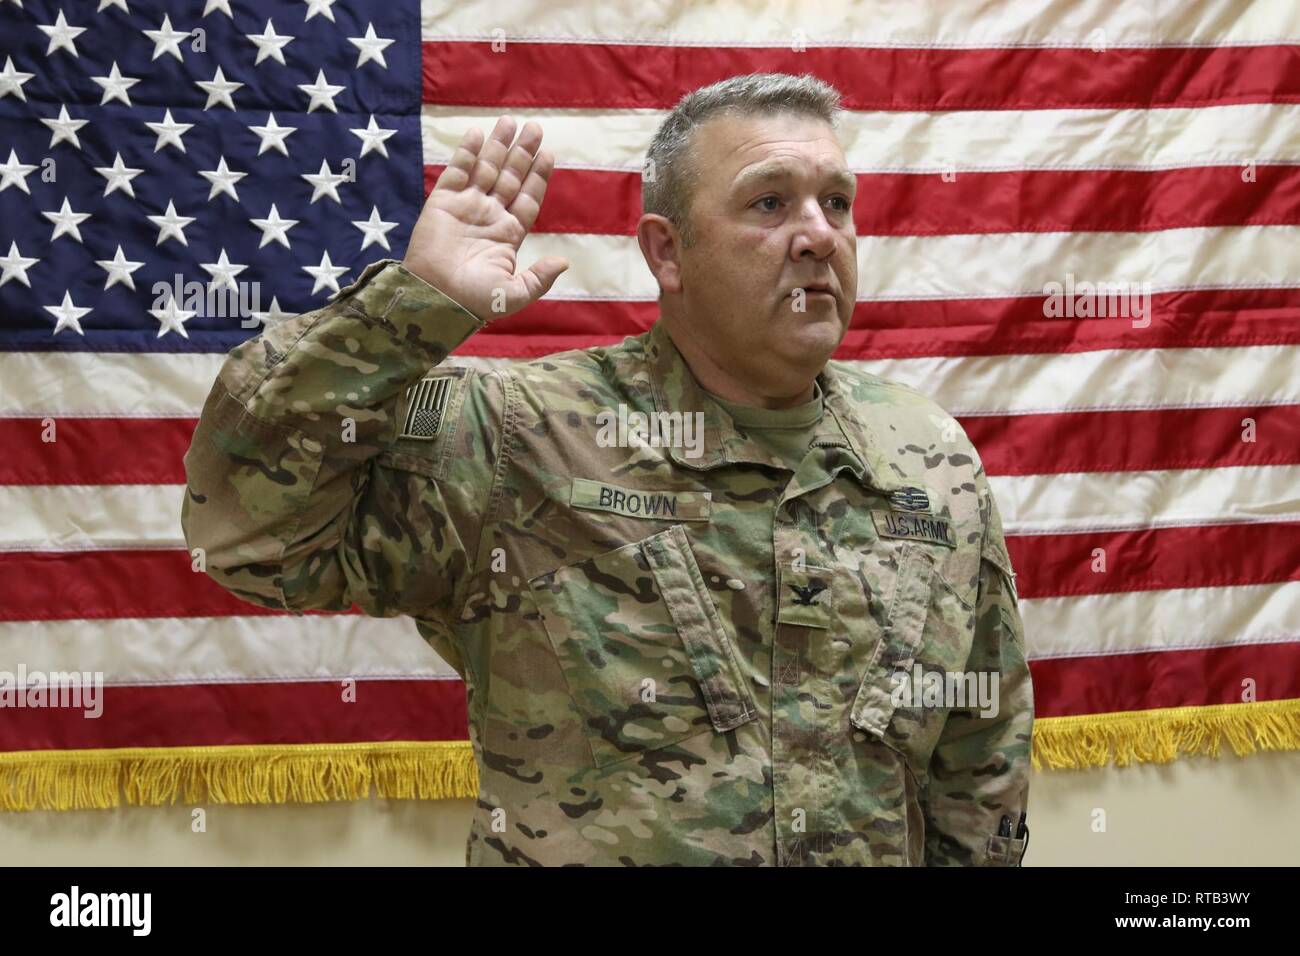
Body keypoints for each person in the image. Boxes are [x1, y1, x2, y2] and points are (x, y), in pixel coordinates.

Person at [181, 72, 1033, 866]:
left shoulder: (926, 451)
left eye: (836, 203)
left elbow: (979, 745)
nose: (817, 234)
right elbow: (252, 536)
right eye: (770, 202)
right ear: (668, 252)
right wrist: (413, 304)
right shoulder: (521, 434)